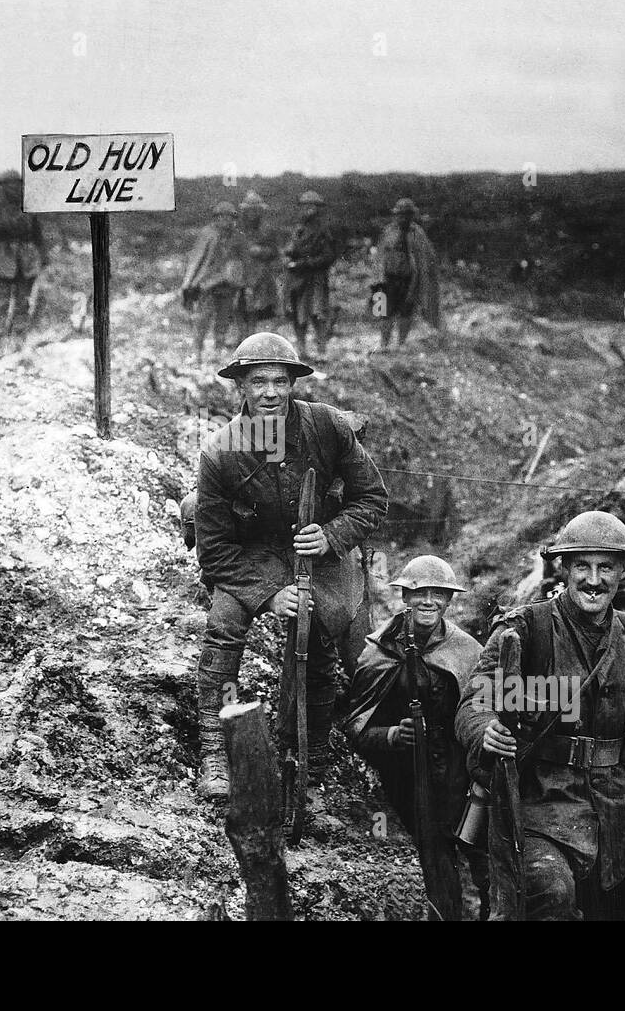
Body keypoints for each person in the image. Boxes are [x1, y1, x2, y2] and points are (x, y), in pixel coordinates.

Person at [455, 510, 625, 919]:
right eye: (582, 566)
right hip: (538, 808)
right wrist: (485, 729)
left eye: (606, 567)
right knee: (551, 897)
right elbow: (476, 699)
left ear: (624, 571)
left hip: (616, 814)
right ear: (564, 568)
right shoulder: (526, 629)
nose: (593, 580)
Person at [195, 332, 387, 798]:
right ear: (240, 385)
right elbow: (214, 551)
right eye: (258, 381)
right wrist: (267, 593)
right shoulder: (220, 452)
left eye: (280, 381)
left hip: (315, 550)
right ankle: (215, 751)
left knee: (322, 630)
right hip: (252, 556)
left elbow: (373, 497)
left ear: (293, 384)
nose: (270, 393)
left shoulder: (327, 427)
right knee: (223, 625)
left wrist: (333, 535)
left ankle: (310, 758)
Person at [344, 555, 489, 920]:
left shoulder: (468, 650)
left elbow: (487, 709)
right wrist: (393, 735)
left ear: (448, 600)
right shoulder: (379, 651)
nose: (428, 601)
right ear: (405, 597)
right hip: (405, 779)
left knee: (485, 859)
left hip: (459, 772)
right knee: (431, 867)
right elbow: (356, 725)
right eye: (419, 593)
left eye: (437, 594)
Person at [0, 171, 47, 356]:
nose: (12, 189)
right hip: (2, 260)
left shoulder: (30, 205)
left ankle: (17, 342)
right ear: (3, 187)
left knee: (23, 303)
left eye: (16, 185)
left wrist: (44, 261)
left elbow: (38, 236)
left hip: (27, 261)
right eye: (8, 185)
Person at [181, 201, 247, 362]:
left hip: (228, 285)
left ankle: (218, 352)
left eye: (229, 217)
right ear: (216, 218)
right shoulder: (208, 234)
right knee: (203, 319)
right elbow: (197, 259)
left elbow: (243, 260)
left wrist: (240, 279)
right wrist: (188, 283)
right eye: (222, 217)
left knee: (223, 320)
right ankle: (197, 353)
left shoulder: (237, 237)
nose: (226, 220)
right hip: (208, 284)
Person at [374, 198, 439, 349]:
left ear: (412, 216)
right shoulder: (388, 231)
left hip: (409, 279)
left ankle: (401, 344)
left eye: (406, 215)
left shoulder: (418, 234)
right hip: (388, 278)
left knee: (406, 311)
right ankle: (384, 344)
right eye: (400, 214)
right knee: (384, 311)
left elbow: (426, 257)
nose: (402, 218)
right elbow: (380, 255)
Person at [282, 190, 341, 357]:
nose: (308, 209)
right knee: (297, 314)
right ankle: (301, 350)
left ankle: (321, 350)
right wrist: (288, 257)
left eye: (312, 206)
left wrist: (305, 263)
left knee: (318, 313)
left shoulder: (324, 230)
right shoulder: (299, 229)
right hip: (297, 278)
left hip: (316, 277)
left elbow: (328, 256)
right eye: (305, 206)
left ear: (318, 208)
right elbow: (290, 249)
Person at [237, 190, 279, 325]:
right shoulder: (238, 230)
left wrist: (261, 251)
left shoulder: (267, 230)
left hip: (260, 274)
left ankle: (252, 336)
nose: (252, 214)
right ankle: (242, 337)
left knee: (256, 308)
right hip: (240, 273)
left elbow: (274, 251)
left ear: (260, 211)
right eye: (249, 211)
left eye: (255, 211)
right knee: (239, 307)